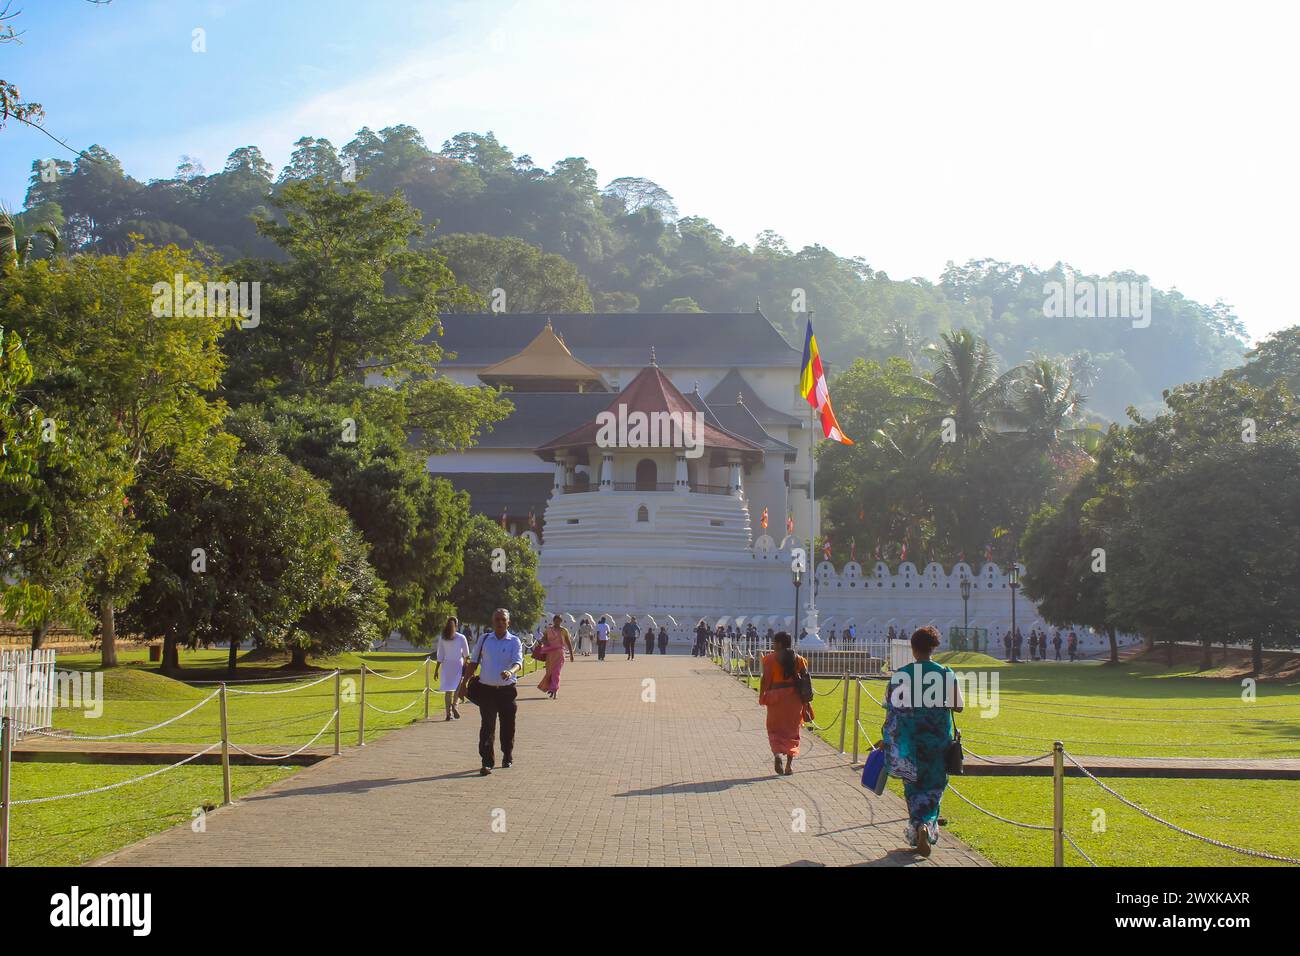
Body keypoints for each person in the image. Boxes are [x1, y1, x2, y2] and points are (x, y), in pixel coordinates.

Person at [876, 625, 963, 857]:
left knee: (913, 788)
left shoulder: (901, 675)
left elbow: (891, 712)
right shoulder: (945, 673)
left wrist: (886, 738)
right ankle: (927, 825)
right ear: (933, 648)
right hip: (937, 742)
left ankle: (919, 827)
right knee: (934, 786)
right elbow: (959, 706)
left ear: (913, 649)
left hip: (909, 741)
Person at [469, 608, 524, 776]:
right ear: (492, 622)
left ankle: (507, 754)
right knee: (487, 727)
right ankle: (487, 761)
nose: (500, 622)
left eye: (503, 620)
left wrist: (510, 671)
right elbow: (473, 662)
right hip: (487, 690)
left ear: (508, 622)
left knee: (508, 726)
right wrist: (463, 684)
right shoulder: (485, 639)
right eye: (497, 619)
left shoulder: (514, 641)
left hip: (507, 691)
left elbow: (518, 662)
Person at [758, 631, 813, 776]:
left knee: (774, 730)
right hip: (794, 699)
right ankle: (788, 766)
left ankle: (777, 755)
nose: (773, 645)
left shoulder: (769, 659)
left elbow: (765, 680)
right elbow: (806, 680)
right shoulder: (800, 660)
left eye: (774, 642)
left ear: (780, 644)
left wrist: (762, 695)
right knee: (792, 732)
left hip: (776, 698)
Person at [434, 616, 471, 721]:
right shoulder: (461, 637)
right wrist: (465, 665)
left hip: (447, 665)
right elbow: (466, 654)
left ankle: (448, 714)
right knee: (457, 688)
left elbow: (440, 655)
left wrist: (436, 670)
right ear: (457, 625)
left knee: (448, 690)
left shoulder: (442, 637)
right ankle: (455, 705)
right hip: (457, 665)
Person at [537, 614, 574, 699]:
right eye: (556, 621)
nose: (557, 622)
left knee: (556, 672)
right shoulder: (549, 630)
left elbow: (568, 642)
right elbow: (543, 639)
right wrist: (545, 642)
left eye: (559, 621)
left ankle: (555, 689)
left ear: (561, 621)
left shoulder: (564, 630)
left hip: (559, 654)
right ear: (553, 621)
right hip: (550, 654)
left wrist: (571, 654)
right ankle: (551, 688)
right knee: (549, 672)